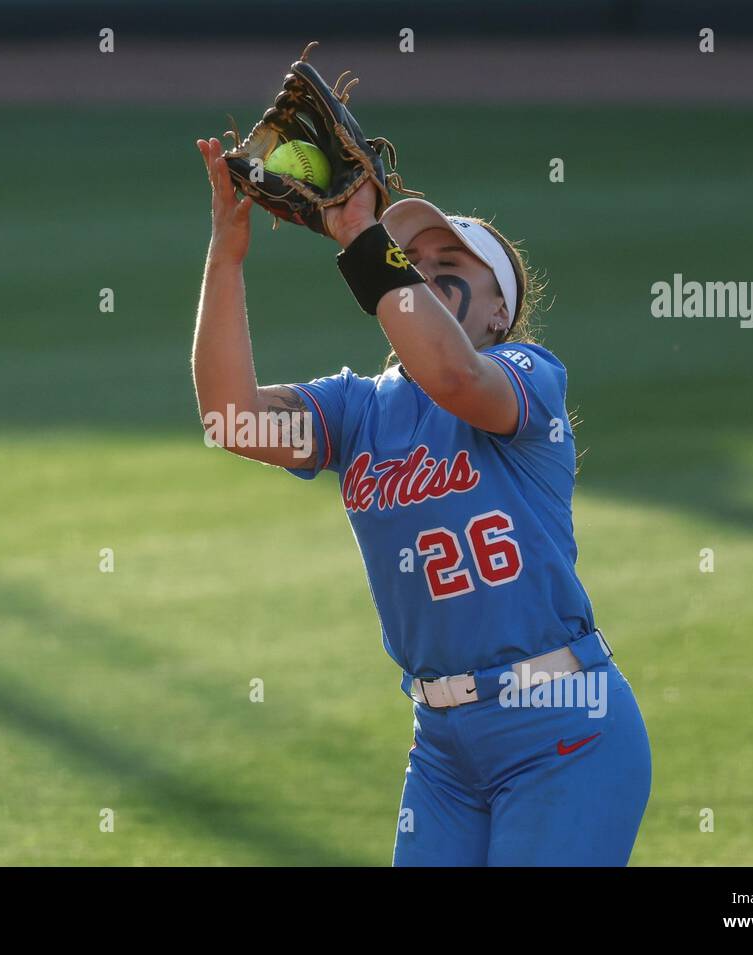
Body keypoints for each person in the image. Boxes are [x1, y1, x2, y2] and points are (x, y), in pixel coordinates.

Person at [192, 136, 652, 865]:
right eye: (410, 263)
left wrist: (360, 240)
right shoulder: (358, 409)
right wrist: (227, 255)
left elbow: (455, 378)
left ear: (501, 312)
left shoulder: (528, 376)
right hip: (442, 750)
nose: (420, 276)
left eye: (450, 268)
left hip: (564, 733)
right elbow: (229, 418)